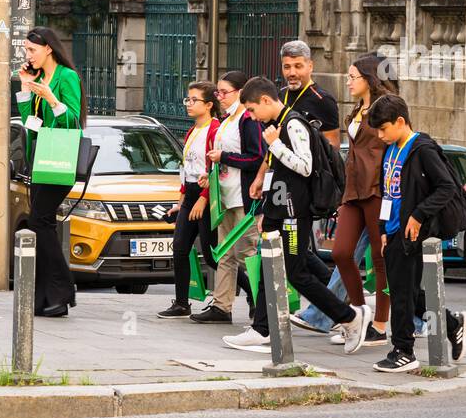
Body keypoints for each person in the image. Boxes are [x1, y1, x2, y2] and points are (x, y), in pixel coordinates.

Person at [223, 77, 373, 353]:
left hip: (295, 212)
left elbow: (305, 167)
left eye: (254, 111)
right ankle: (262, 329)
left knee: (296, 273)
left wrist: (275, 146)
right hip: (279, 209)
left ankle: (349, 316)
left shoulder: (293, 124)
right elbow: (281, 170)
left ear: (266, 101)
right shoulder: (276, 125)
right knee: (269, 265)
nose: (253, 119)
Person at [291, 53, 395, 347]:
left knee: (380, 260)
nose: (348, 82)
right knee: (341, 253)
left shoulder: (383, 108)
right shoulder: (357, 108)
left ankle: (380, 324)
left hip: (376, 190)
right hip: (352, 191)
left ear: (370, 78)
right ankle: (356, 315)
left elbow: (391, 149)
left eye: (353, 77)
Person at [368, 93, 466, 373]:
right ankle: (453, 323)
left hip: (413, 232)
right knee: (407, 293)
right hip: (393, 230)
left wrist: (418, 215)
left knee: (402, 294)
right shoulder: (391, 149)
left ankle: (403, 350)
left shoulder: (422, 148)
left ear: (400, 121)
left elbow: (447, 187)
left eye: (383, 129)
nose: (380, 135)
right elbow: (388, 192)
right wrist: (382, 229)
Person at [249, 41, 339, 293]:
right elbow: (271, 146)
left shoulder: (323, 100)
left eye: (298, 66)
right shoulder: (279, 96)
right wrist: (260, 178)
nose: (292, 72)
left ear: (310, 66)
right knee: (291, 251)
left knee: (295, 256)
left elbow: (330, 149)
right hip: (280, 185)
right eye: (287, 66)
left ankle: (339, 302)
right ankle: (266, 317)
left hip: (305, 187)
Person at [16, 26, 84, 318]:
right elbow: (29, 121)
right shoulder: (39, 78)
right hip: (40, 159)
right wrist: (24, 87)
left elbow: (73, 121)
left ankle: (63, 289)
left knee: (39, 222)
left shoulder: (67, 78)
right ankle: (46, 296)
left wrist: (52, 99)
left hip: (60, 159)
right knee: (38, 224)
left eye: (32, 50)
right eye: (26, 50)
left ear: (48, 49)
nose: (27, 55)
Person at [190, 70, 262, 324]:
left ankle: (260, 303)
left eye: (224, 92)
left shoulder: (248, 119)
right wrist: (210, 174)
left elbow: (256, 158)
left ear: (240, 93)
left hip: (243, 198)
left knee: (247, 252)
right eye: (218, 92)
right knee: (225, 253)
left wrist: (225, 158)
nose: (219, 96)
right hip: (225, 195)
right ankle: (222, 305)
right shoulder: (229, 119)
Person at [157, 81, 221, 320]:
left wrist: (203, 199)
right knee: (180, 248)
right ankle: (182, 303)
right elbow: (187, 169)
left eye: (194, 100)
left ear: (209, 105)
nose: (189, 104)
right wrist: (181, 200)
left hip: (207, 195)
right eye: (188, 99)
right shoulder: (192, 130)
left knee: (212, 254)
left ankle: (252, 295)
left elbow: (213, 170)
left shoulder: (214, 130)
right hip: (190, 195)